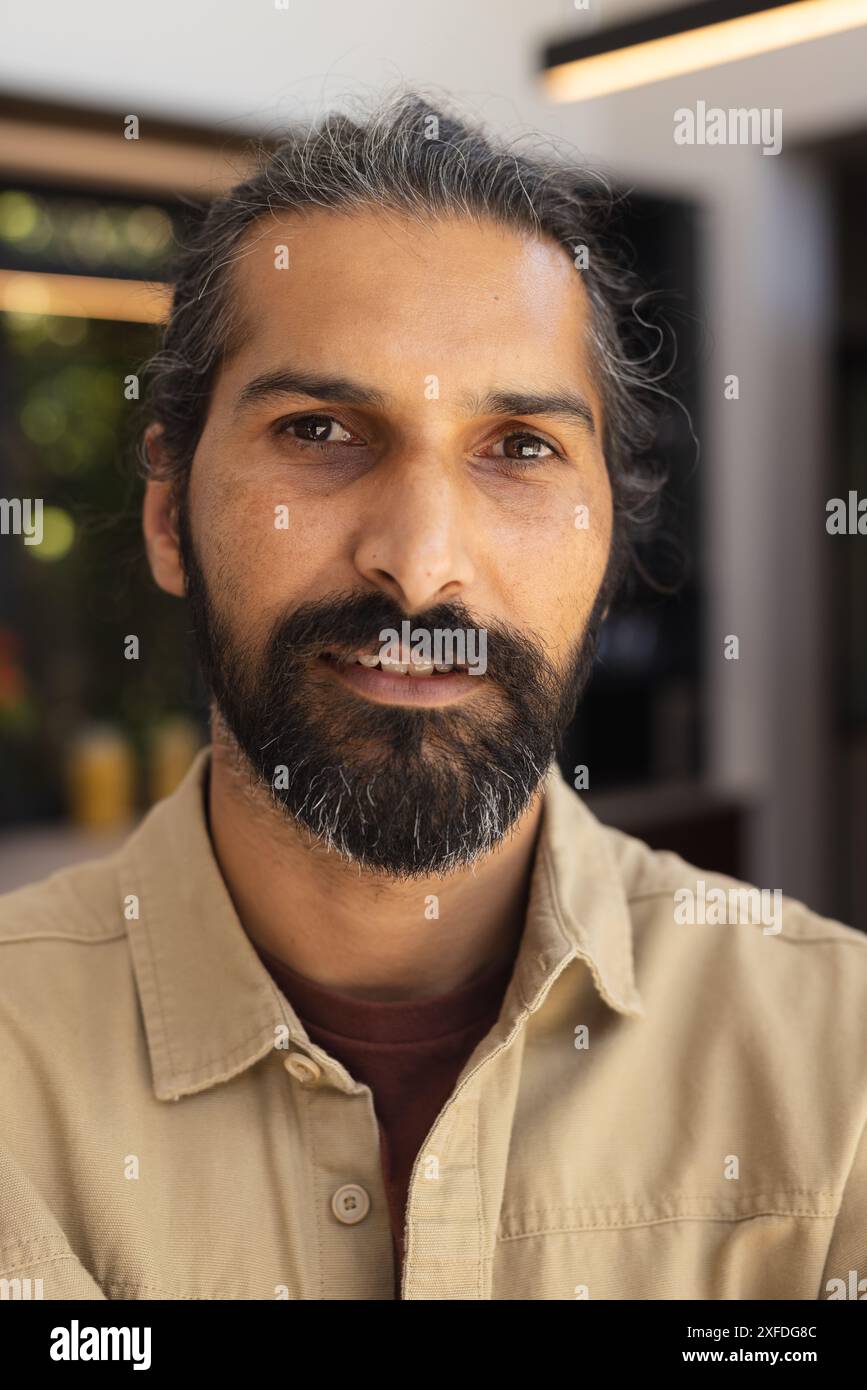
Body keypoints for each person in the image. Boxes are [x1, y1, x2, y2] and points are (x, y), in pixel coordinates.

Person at [1, 91, 865, 1302]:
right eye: (319, 428)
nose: (420, 560)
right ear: (167, 515)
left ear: (610, 534)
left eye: (518, 446)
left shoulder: (843, 1070)